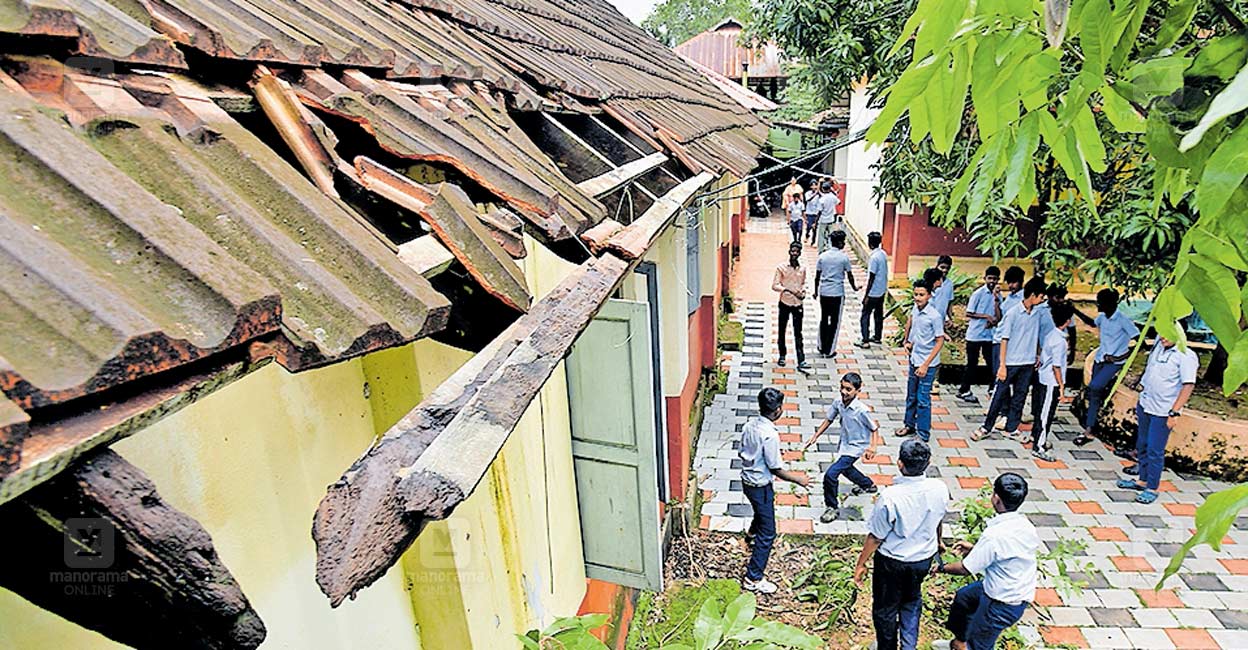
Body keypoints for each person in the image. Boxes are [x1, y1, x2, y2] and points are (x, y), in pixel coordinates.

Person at [854, 439, 949, 650]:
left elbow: (876, 537)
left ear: (899, 463)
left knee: (886, 607)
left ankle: (886, 646)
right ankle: (908, 646)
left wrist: (861, 563)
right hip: (922, 559)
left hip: (892, 562)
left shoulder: (890, 497)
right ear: (928, 462)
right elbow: (938, 518)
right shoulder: (939, 489)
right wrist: (939, 541)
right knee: (912, 600)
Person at [936, 473, 1038, 650]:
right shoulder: (1024, 525)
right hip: (1007, 587)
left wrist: (941, 568)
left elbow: (965, 569)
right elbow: (1003, 554)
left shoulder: (994, 535)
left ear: (996, 498)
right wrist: (976, 550)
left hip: (1001, 602)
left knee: (980, 645)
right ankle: (958, 643)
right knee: (964, 598)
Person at [739, 387, 811, 594]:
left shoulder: (750, 425)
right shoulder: (770, 435)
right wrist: (799, 479)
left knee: (761, 512)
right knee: (769, 532)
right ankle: (753, 577)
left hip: (746, 480)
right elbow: (775, 468)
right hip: (760, 485)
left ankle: (751, 536)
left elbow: (746, 451)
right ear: (778, 410)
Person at [1117, 332, 1197, 505]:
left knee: (1155, 449)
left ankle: (1152, 487)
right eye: (1161, 333)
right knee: (1142, 444)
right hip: (1146, 403)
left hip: (1163, 410)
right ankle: (1142, 480)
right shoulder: (1158, 348)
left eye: (1167, 334)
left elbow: (1188, 385)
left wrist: (1175, 412)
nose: (1163, 338)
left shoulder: (1186, 356)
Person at [974, 277, 1048, 442]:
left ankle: (1011, 427)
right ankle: (986, 427)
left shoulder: (1037, 314)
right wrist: (1002, 365)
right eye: (1041, 296)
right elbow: (1004, 339)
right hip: (1010, 362)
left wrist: (1037, 354)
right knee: (999, 395)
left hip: (1027, 363)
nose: (1043, 299)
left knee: (1020, 396)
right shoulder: (1013, 313)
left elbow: (1036, 336)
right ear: (1033, 295)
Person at [802, 372, 880, 522]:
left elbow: (874, 428)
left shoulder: (861, 410)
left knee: (831, 474)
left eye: (849, 389)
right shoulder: (838, 402)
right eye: (842, 387)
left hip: (857, 446)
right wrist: (815, 436)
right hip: (845, 444)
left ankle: (832, 507)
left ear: (858, 390)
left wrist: (873, 447)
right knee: (846, 468)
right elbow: (829, 419)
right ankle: (868, 485)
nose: (844, 392)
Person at [1071, 289, 1141, 446]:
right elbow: (1091, 323)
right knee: (1094, 394)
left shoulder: (1123, 320)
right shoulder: (1102, 318)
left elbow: (1139, 342)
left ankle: (1091, 424)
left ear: (1110, 304)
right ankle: (1089, 429)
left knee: (1095, 387)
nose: (1097, 305)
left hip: (1114, 363)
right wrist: (1075, 310)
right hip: (1100, 359)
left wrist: (1119, 357)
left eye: (1100, 302)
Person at [898, 277, 945, 442]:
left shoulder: (934, 316)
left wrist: (926, 364)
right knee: (911, 395)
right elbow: (911, 326)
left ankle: (923, 433)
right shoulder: (915, 309)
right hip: (914, 358)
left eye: (921, 294)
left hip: (928, 363)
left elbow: (940, 341)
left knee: (923, 399)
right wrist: (906, 341)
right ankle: (909, 425)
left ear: (929, 295)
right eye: (916, 294)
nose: (918, 298)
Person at [1031, 303, 1074, 462]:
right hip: (1051, 382)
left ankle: (1038, 437)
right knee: (1045, 414)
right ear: (1068, 321)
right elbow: (1057, 366)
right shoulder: (1060, 341)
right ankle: (1039, 446)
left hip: (1044, 377)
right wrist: (1062, 388)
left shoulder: (1051, 335)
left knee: (1043, 412)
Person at [956, 266, 1001, 404]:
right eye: (990, 278)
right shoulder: (978, 294)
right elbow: (969, 313)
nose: (992, 281)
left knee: (992, 363)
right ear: (985, 278)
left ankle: (992, 388)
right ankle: (964, 390)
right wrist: (986, 317)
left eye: (995, 279)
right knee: (972, 364)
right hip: (975, 335)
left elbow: (999, 316)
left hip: (989, 335)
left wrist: (993, 317)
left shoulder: (998, 296)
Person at [814, 230, 858, 358]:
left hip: (824, 292)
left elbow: (817, 276)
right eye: (843, 241)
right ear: (839, 242)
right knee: (834, 322)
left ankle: (821, 346)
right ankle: (830, 350)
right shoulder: (844, 258)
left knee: (823, 319)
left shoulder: (823, 256)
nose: (844, 244)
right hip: (837, 293)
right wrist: (855, 288)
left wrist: (816, 291)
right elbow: (850, 276)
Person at [988, 266, 1026, 402]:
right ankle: (1003, 407)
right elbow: (999, 318)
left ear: (1021, 281)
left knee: (1005, 375)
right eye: (1009, 282)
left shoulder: (1024, 299)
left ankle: (1005, 410)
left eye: (1014, 282)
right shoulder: (1009, 298)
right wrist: (996, 300)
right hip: (998, 337)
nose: (1011, 285)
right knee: (997, 372)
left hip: (1010, 341)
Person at [772, 241, 810, 371]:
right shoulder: (781, 268)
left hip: (798, 303)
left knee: (798, 332)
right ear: (789, 252)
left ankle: (801, 359)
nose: (794, 253)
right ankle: (782, 355)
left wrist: (803, 291)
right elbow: (775, 285)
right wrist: (787, 290)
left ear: (800, 253)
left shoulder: (803, 268)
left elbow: (804, 283)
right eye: (793, 251)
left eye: (797, 252)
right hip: (785, 302)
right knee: (782, 330)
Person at [857, 231, 889, 348]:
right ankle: (877, 336)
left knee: (865, 315)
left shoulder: (874, 258)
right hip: (881, 290)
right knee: (878, 314)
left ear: (870, 243)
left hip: (874, 292)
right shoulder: (883, 254)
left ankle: (865, 340)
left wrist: (866, 295)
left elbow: (871, 277)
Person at [816, 180, 841, 253]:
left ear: (823, 189)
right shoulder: (833, 197)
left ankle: (821, 249)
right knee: (831, 235)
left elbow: (819, 212)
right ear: (830, 189)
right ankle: (831, 248)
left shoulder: (822, 199)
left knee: (821, 235)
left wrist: (816, 221)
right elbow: (839, 203)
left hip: (823, 219)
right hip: (831, 219)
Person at [933, 255, 955, 324]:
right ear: (937, 266)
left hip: (941, 319)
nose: (945, 270)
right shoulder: (931, 281)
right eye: (942, 267)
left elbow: (949, 303)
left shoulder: (949, 284)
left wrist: (950, 318)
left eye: (947, 268)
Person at [804, 181, 821, 246]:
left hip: (816, 213)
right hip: (809, 212)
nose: (814, 187)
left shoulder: (819, 194)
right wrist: (815, 194)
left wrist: (818, 192)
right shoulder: (807, 193)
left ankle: (813, 241)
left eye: (815, 185)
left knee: (815, 228)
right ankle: (807, 235)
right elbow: (808, 200)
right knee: (809, 226)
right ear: (810, 187)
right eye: (812, 186)